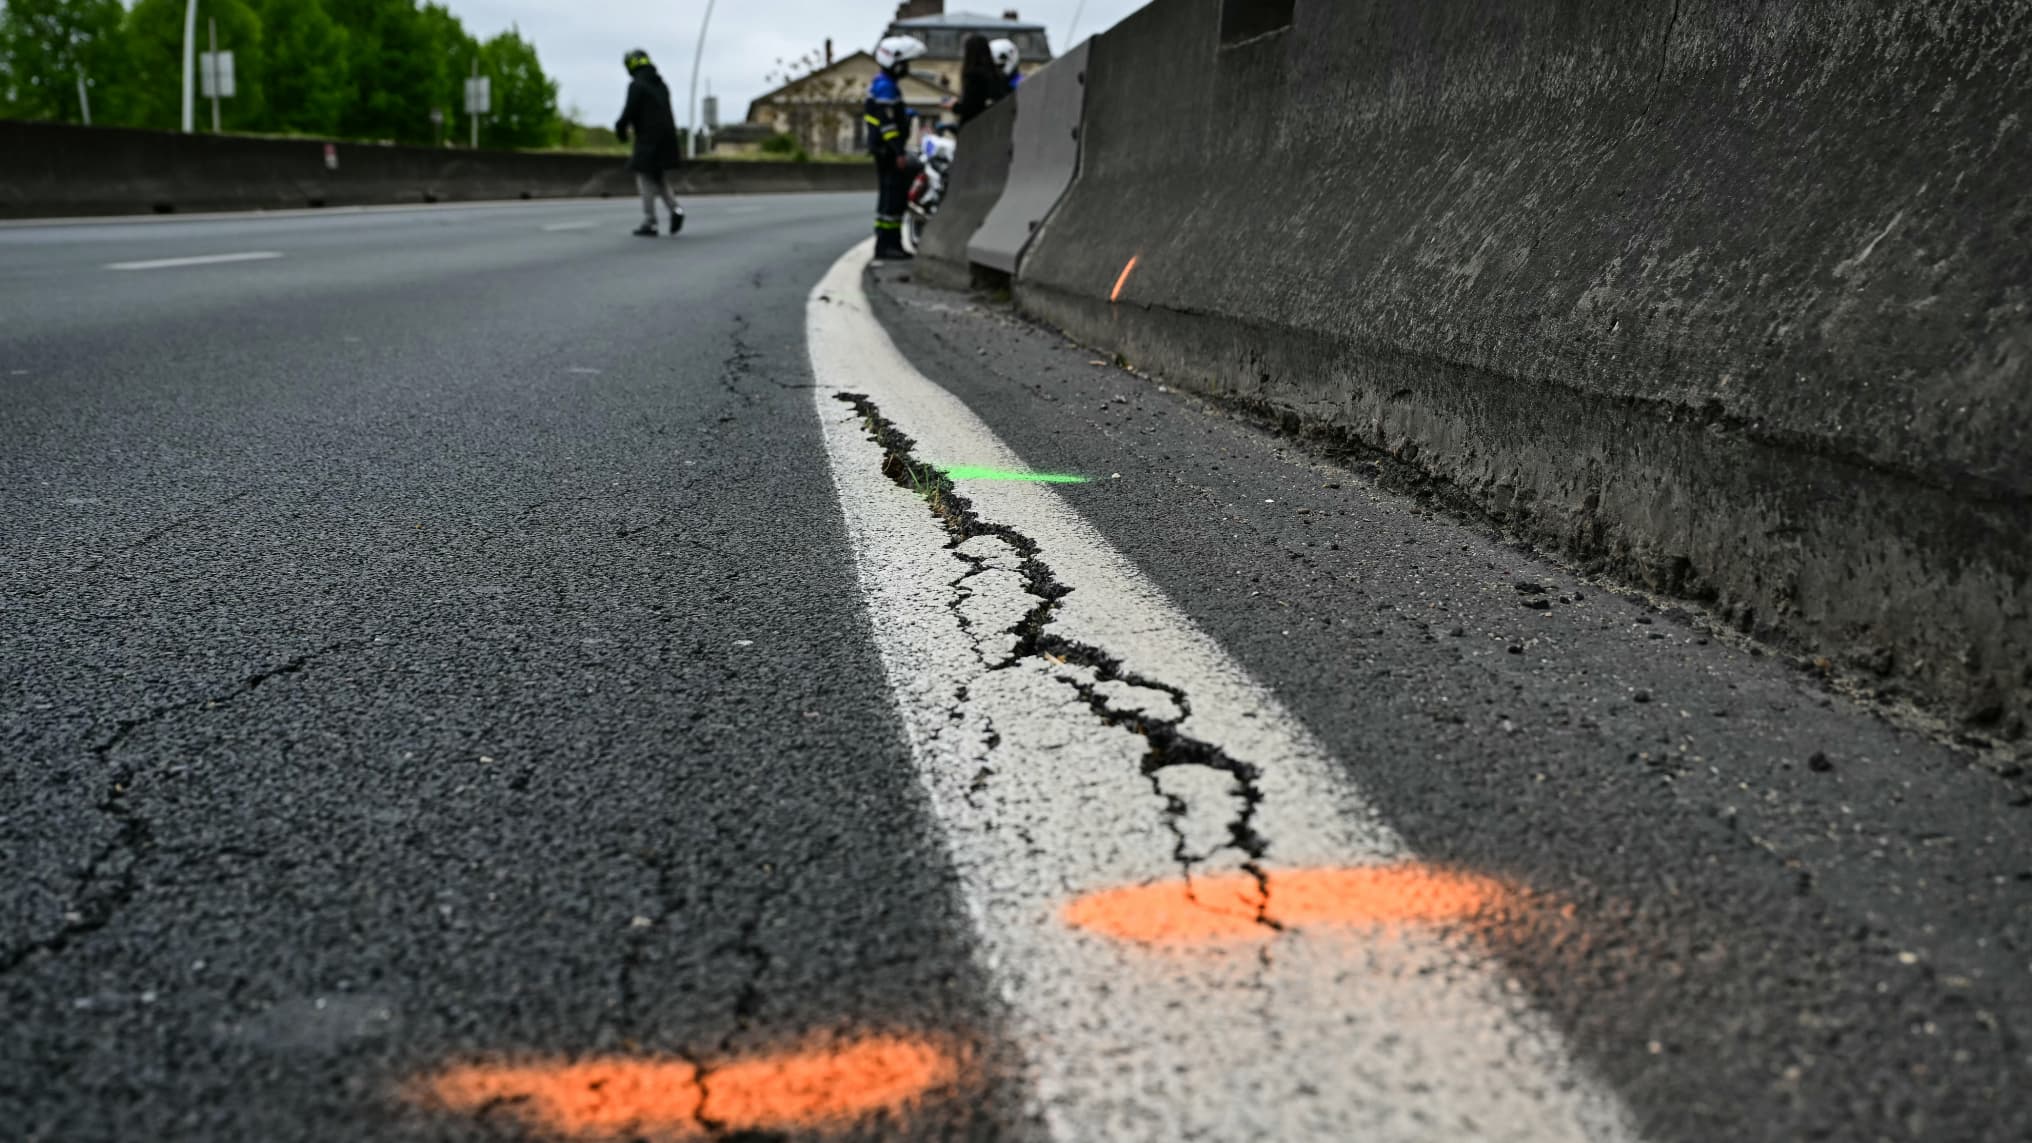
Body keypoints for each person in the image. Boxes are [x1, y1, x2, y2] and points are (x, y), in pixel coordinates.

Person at [866, 35, 927, 261]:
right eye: (905, 64)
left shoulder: (881, 84)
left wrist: (907, 114)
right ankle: (888, 244)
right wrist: (898, 152)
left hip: (883, 151)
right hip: (888, 153)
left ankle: (886, 242)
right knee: (893, 199)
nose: (907, 68)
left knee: (888, 198)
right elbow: (888, 125)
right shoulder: (886, 87)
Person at [614, 48, 685, 238]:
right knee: (658, 177)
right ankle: (675, 210)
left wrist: (620, 128)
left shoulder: (637, 85)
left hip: (648, 139)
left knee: (644, 176)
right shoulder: (661, 85)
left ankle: (650, 221)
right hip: (668, 138)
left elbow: (629, 111)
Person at [953, 34, 1005, 125]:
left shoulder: (974, 76)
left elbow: (970, 107)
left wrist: (954, 106)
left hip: (974, 129)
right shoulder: (996, 75)